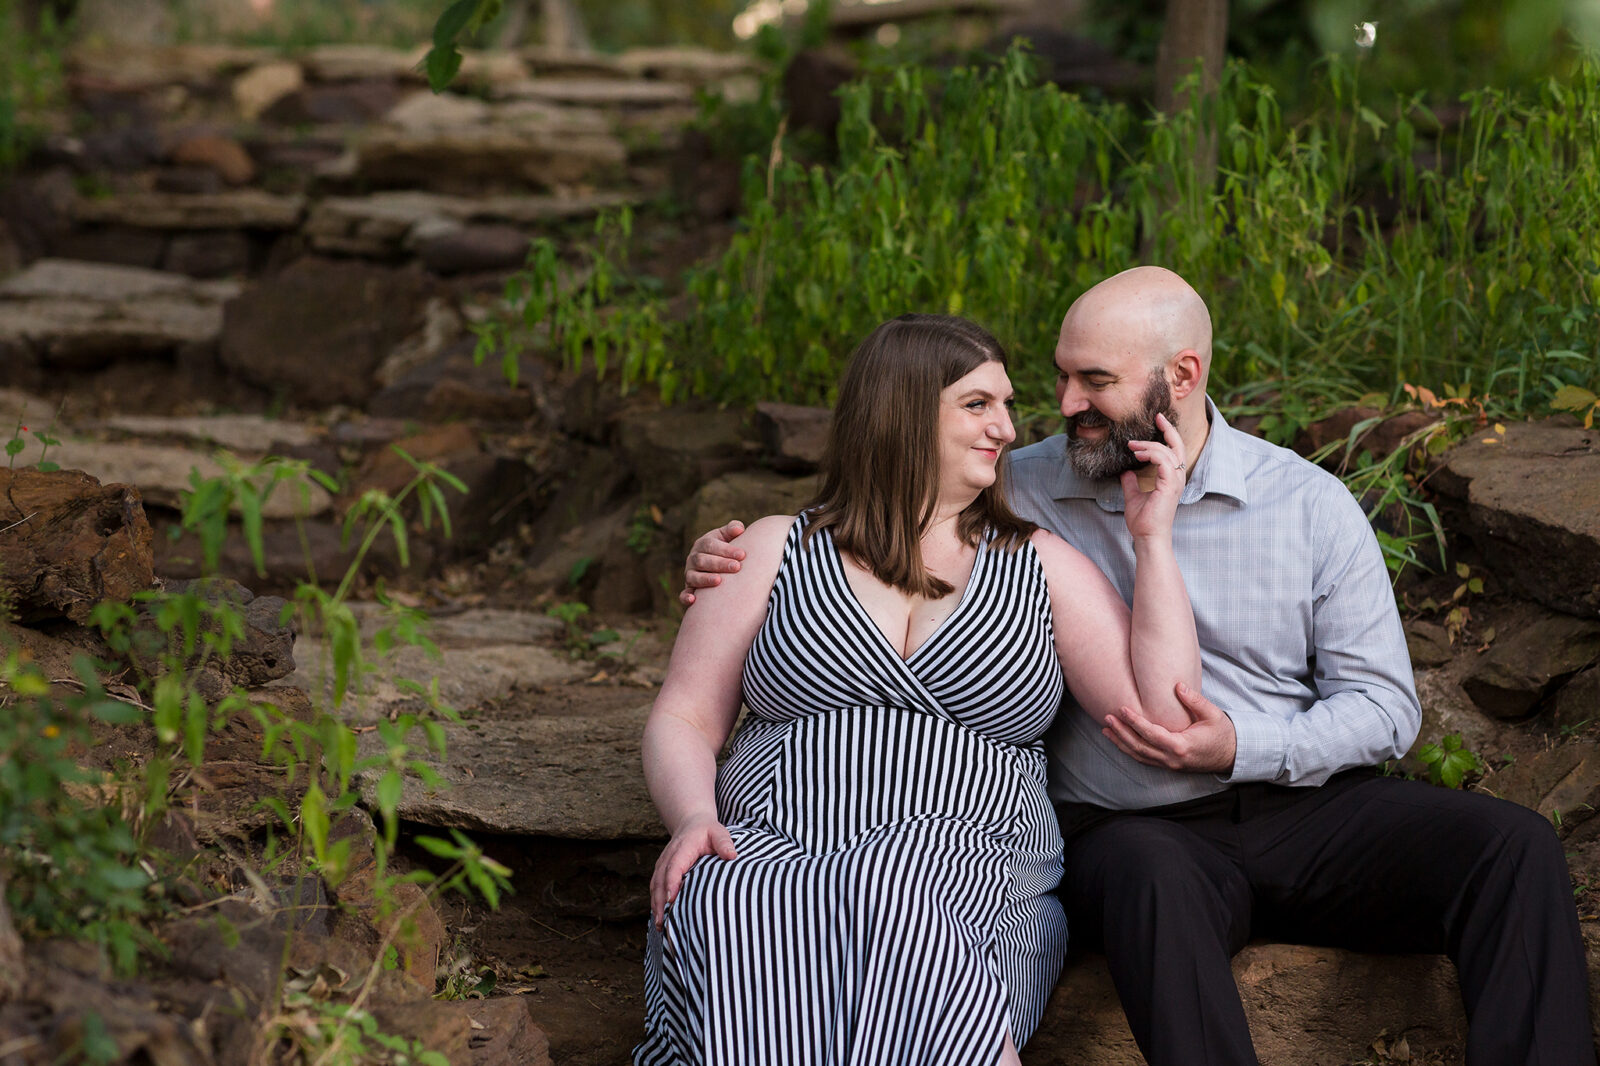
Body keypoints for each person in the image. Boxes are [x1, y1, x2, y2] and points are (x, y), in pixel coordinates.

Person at [683, 267, 1596, 1065]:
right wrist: (728, 557)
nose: (1064, 403)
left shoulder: (1306, 504)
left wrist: (1243, 745)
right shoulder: (1021, 478)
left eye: (1095, 380)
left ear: (1181, 376)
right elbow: (886, 506)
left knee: (1511, 847)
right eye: (1061, 376)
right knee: (1152, 882)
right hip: (1134, 824)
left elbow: (1385, 708)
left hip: (1305, 805)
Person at [637, 312, 1201, 1066]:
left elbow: (1166, 715)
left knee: (903, 878)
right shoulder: (775, 548)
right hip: (775, 847)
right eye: (977, 405)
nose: (1005, 428)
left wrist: (1152, 540)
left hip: (966, 870)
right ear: (900, 409)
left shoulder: (1043, 567)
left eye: (1006, 405)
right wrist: (692, 819)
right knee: (734, 900)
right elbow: (683, 714)